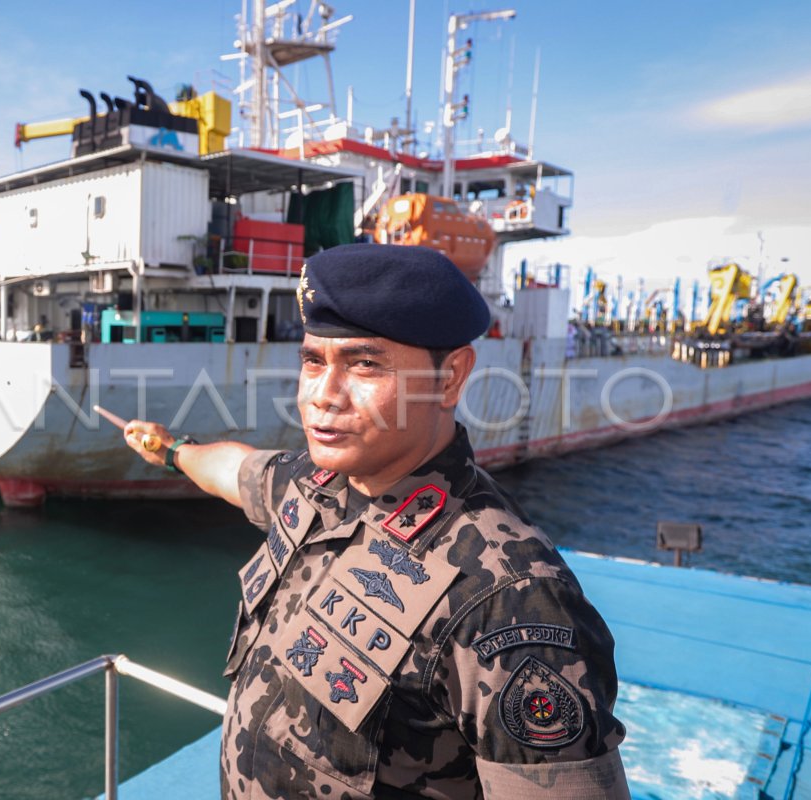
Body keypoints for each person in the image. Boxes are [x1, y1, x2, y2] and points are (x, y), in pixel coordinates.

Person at [120, 244, 630, 799]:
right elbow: (235, 470)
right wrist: (171, 450)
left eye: (364, 365)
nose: (322, 397)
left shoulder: (505, 595)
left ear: (449, 377)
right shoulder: (316, 484)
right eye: (313, 361)